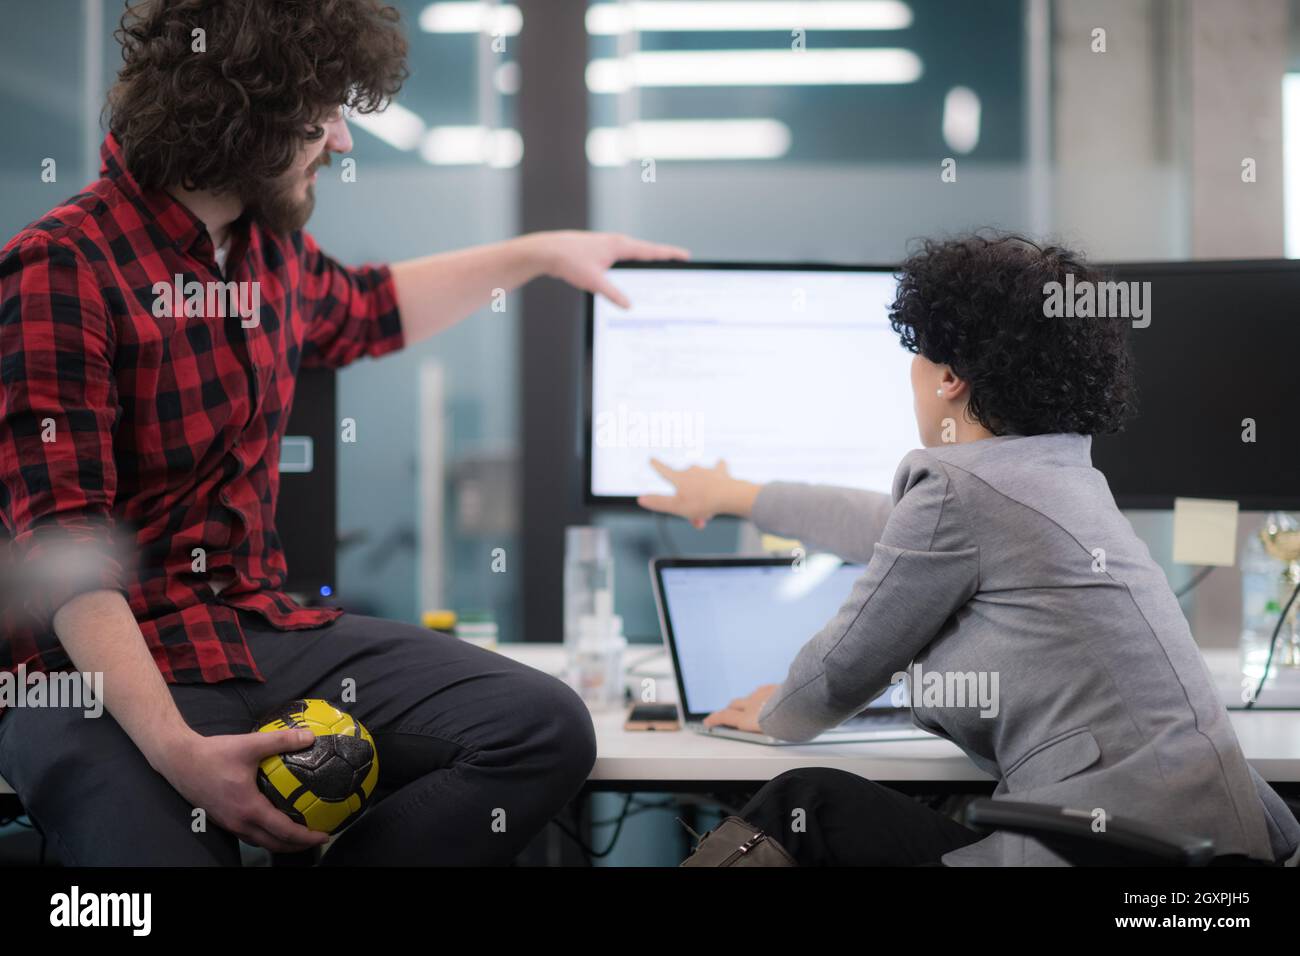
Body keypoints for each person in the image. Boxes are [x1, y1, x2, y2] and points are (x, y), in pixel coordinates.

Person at [0, 0, 687, 866]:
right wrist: (180, 755)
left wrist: (542, 255)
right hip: (99, 673)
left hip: (255, 632)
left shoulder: (266, 250)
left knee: (541, 726)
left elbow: (369, 307)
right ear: (239, 120)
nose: (344, 140)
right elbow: (67, 556)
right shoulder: (61, 266)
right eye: (320, 117)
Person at [641, 233, 1300, 866]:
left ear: (951, 376)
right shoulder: (1053, 474)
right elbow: (888, 528)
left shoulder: (962, 490)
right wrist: (736, 494)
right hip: (1206, 850)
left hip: (1108, 858)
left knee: (803, 804)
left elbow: (840, 670)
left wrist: (775, 712)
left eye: (918, 354)